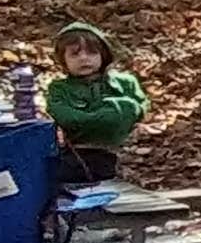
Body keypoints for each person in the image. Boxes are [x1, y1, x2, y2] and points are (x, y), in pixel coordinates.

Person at [45, 21, 149, 187]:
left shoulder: (125, 83)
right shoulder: (59, 89)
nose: (84, 59)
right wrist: (108, 115)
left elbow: (135, 111)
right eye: (75, 54)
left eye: (92, 53)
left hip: (124, 154)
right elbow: (66, 117)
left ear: (103, 55)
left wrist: (97, 116)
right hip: (79, 155)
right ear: (63, 60)